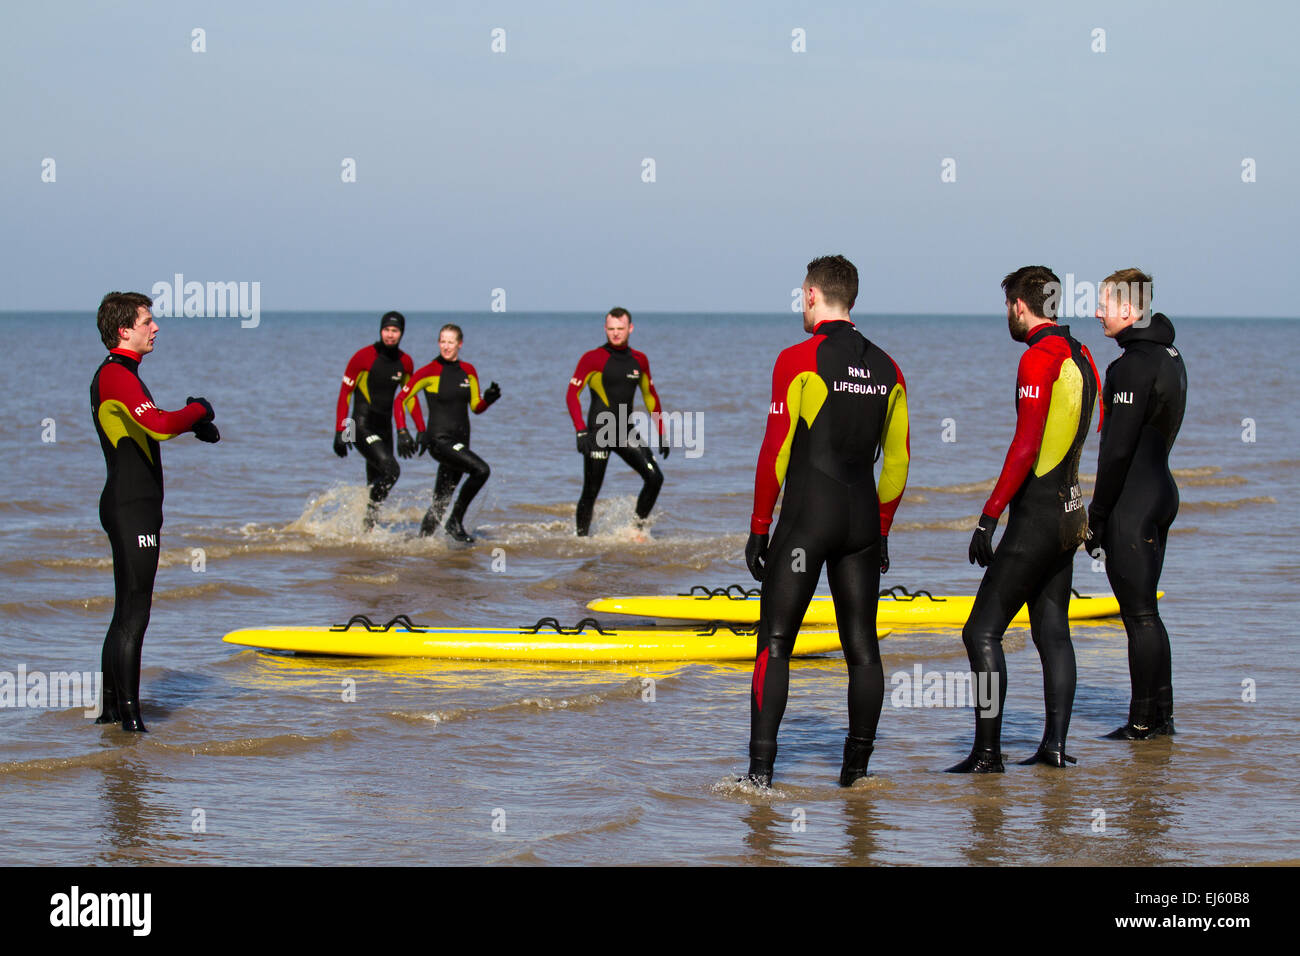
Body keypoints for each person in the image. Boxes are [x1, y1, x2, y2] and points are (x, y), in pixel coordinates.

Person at [743, 255, 910, 788]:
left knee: (775, 643)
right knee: (862, 649)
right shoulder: (889, 368)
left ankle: (760, 777)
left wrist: (759, 525)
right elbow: (900, 461)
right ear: (852, 299)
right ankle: (855, 774)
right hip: (861, 526)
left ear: (812, 295)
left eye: (801, 293)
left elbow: (776, 450)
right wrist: (881, 530)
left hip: (806, 525)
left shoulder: (798, 358)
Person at [948, 266, 1100, 772]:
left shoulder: (1038, 359)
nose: (1007, 315)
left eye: (1007, 305)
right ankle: (1054, 748)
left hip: (1034, 518)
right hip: (1070, 513)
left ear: (1019, 305)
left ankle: (987, 753)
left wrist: (989, 518)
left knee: (981, 633)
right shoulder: (1085, 357)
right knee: (1053, 633)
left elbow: (1026, 446)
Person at [90, 292, 220, 732]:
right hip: (132, 509)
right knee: (135, 615)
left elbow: (155, 422)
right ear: (124, 330)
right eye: (148, 320)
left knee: (125, 612)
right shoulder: (116, 375)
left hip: (132, 506)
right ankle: (131, 723)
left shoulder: (122, 375)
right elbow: (161, 426)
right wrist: (200, 408)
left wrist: (195, 422)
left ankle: (110, 715)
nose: (156, 327)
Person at [1086, 269, 1186, 739]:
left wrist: (1097, 515)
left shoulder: (1129, 367)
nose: (1097, 311)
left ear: (1129, 310)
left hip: (1134, 501)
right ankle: (1160, 718)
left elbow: (1117, 450)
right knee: (1147, 613)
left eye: (1104, 303)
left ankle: (1143, 722)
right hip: (1162, 491)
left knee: (1139, 615)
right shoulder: (1171, 355)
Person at [394, 323, 501, 543]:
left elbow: (475, 407)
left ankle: (419, 545)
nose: (446, 346)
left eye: (450, 342)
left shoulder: (469, 371)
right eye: (442, 341)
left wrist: (488, 400)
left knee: (440, 502)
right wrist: (404, 431)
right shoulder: (429, 371)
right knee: (481, 470)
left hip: (461, 442)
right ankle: (455, 521)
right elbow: (400, 400)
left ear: (460, 344)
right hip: (439, 441)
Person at [565, 308, 667, 536]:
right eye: (611, 329)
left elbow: (650, 396)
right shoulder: (592, 358)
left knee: (655, 478)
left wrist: (661, 431)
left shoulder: (639, 360)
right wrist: (580, 431)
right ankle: (581, 540)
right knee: (590, 491)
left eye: (620, 329)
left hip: (624, 432)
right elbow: (572, 394)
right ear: (605, 329)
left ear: (630, 328)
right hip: (598, 434)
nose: (616, 334)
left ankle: (636, 530)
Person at [334, 311, 413, 529]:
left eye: (395, 330)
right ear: (380, 331)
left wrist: (407, 431)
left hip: (385, 430)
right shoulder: (362, 357)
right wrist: (342, 432)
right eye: (386, 330)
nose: (390, 335)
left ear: (401, 333)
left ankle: (366, 536)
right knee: (392, 471)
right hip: (360, 425)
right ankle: (361, 510)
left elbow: (408, 399)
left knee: (378, 483)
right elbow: (344, 396)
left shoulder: (405, 362)